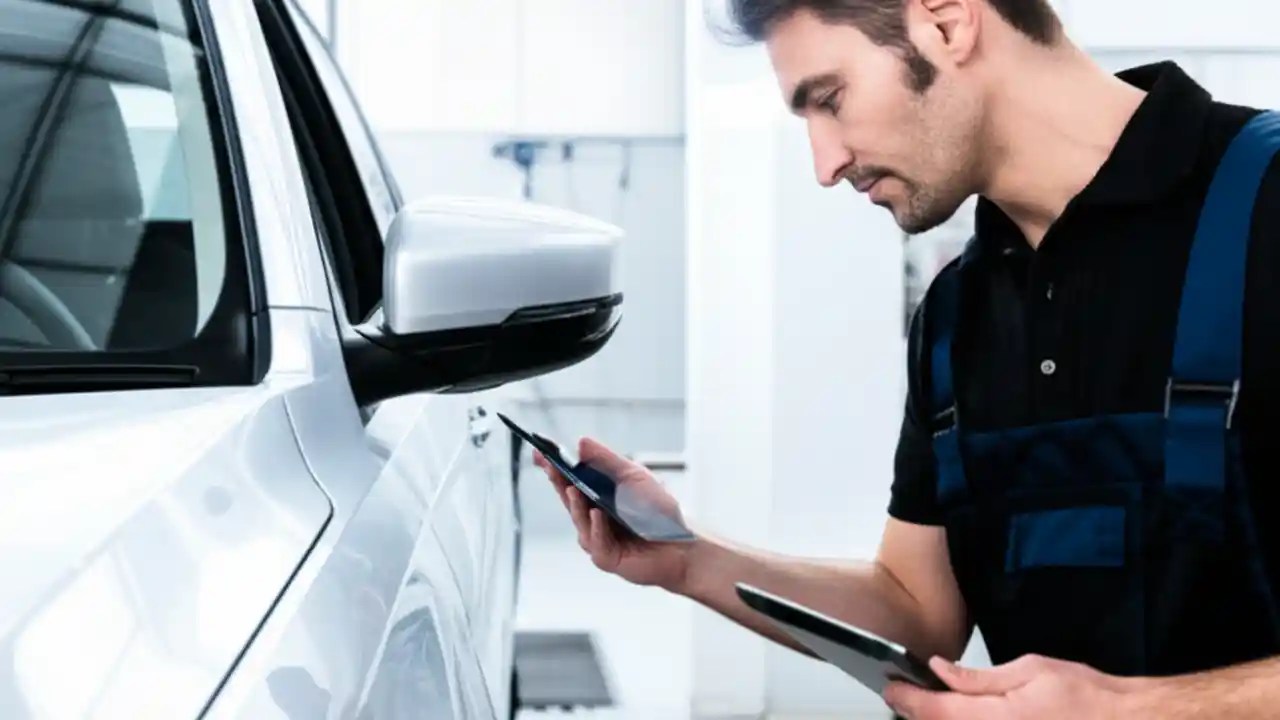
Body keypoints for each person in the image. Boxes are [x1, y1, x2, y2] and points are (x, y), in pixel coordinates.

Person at [533, 0, 1280, 717]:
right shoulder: (958, 313)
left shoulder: (1268, 207)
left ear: (947, 21)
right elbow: (919, 610)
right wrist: (690, 560)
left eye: (830, 99)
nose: (825, 165)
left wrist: (1131, 711)